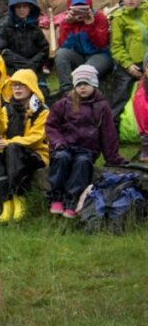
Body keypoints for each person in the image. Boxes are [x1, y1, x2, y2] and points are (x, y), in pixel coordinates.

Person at [45, 65, 126, 218]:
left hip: (87, 149)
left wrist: (113, 157)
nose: (82, 88)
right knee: (62, 158)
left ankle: (71, 201)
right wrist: (58, 142)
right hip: (64, 146)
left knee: (82, 163)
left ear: (94, 84)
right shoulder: (63, 104)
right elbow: (51, 125)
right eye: (78, 84)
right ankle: (56, 198)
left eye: (86, 84)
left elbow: (108, 134)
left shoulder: (102, 106)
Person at [0, 69, 49, 223]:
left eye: (22, 85)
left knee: (13, 148)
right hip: (10, 151)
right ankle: (6, 202)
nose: (17, 89)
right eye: (15, 85)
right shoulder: (7, 107)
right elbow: (0, 130)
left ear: (31, 87)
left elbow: (36, 138)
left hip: (35, 154)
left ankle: (19, 198)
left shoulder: (42, 111)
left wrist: (10, 142)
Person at [54, 0, 112, 97]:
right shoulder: (67, 21)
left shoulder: (99, 17)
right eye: (76, 8)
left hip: (100, 56)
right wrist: (68, 25)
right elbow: (63, 45)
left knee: (84, 72)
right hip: (79, 55)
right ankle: (67, 92)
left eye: (83, 8)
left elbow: (101, 44)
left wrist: (90, 25)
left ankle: (87, 97)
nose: (80, 13)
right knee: (61, 54)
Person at [110, 0, 148, 127]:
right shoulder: (119, 17)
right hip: (128, 64)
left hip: (147, 63)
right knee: (120, 96)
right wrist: (128, 65)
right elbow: (116, 46)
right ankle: (112, 131)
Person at [0, 0, 50, 77]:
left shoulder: (34, 25)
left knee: (41, 90)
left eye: (25, 6)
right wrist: (25, 64)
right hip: (11, 69)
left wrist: (33, 63)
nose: (22, 9)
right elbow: (2, 50)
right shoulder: (4, 25)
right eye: (18, 7)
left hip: (33, 68)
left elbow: (44, 49)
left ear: (30, 8)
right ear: (13, 8)